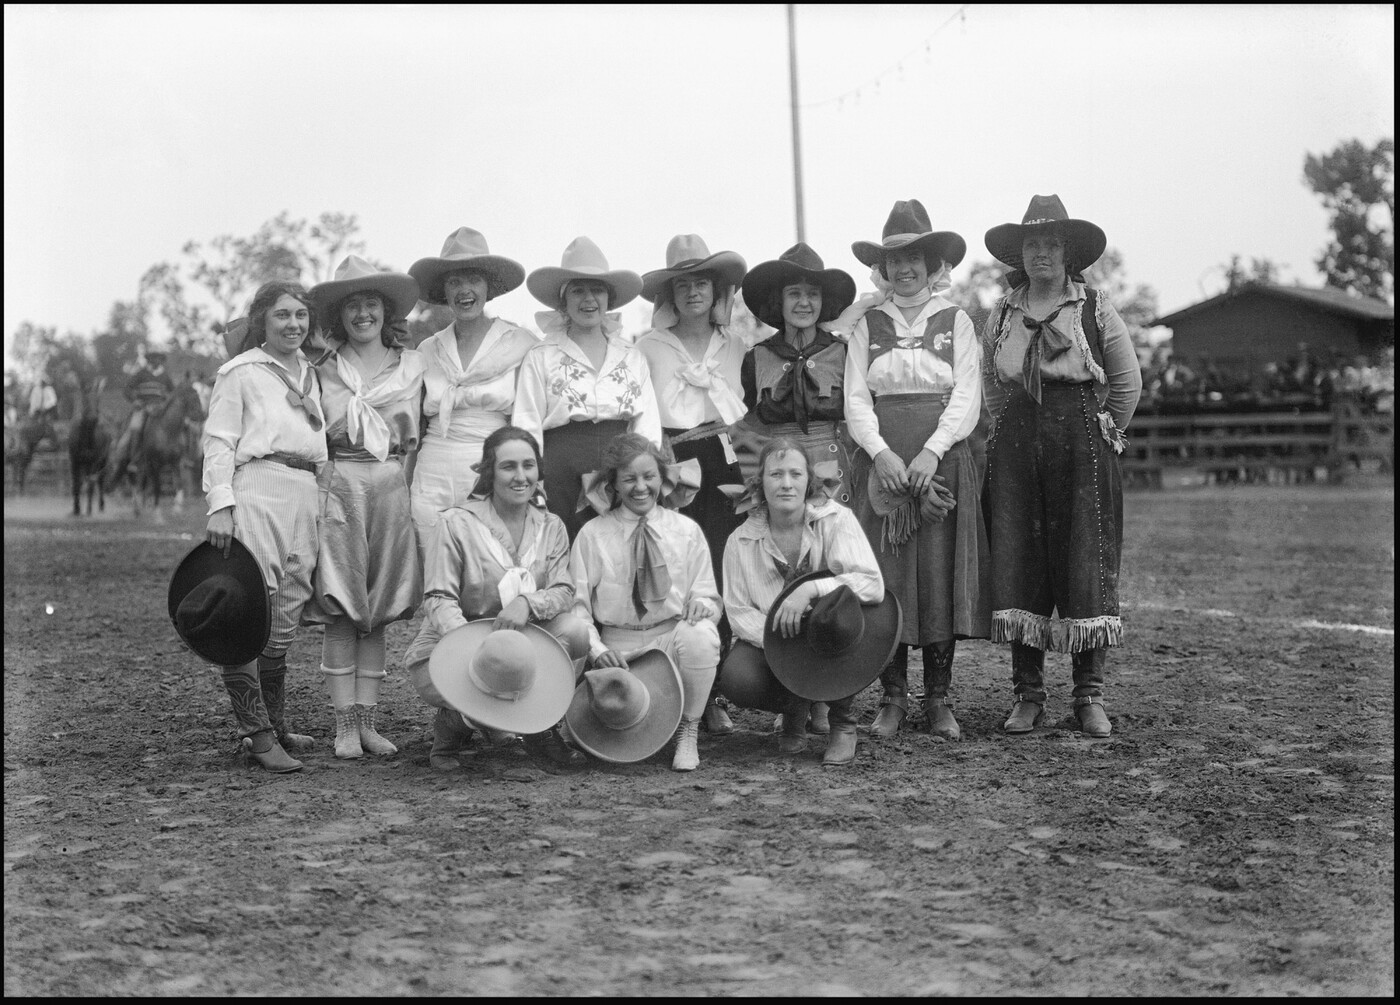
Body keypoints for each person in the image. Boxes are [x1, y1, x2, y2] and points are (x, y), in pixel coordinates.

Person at [981, 195, 1143, 738]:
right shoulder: (1002, 313)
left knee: (1083, 561)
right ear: (1019, 254)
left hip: (1081, 444)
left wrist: (1101, 432)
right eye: (1032, 244)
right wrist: (1007, 432)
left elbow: (1126, 382)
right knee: (1019, 559)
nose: (1042, 254)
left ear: (1069, 252)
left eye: (1052, 244)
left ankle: (1088, 696)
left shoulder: (1094, 307)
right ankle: (1027, 695)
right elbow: (990, 384)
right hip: (1017, 445)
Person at [840, 199, 991, 740]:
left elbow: (967, 394)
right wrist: (881, 454)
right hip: (883, 458)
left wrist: (932, 451)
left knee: (935, 574)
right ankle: (894, 698)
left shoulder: (957, 323)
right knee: (889, 575)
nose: (904, 269)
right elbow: (856, 398)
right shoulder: (868, 324)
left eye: (915, 258)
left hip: (940, 458)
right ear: (883, 268)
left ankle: (940, 699)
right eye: (894, 260)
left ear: (933, 266)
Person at [403, 426, 592, 771]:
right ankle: (456, 724)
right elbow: (438, 598)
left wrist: (527, 604)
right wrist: (475, 645)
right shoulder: (455, 523)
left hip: (525, 637)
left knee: (576, 631)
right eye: (508, 467)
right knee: (489, 667)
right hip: (457, 641)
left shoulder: (551, 526)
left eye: (528, 465)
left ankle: (539, 725)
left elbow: (564, 590)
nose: (521, 477)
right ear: (489, 471)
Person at [202, 281, 328, 772]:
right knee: (252, 604)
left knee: (289, 605)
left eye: (300, 315)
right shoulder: (240, 372)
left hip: (304, 488)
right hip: (258, 484)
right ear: (262, 319)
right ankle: (256, 736)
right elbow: (219, 441)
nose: (293, 324)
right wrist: (221, 504)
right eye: (282, 315)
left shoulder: (312, 375)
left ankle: (274, 721)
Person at [303, 257, 426, 759]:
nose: (362, 313)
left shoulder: (413, 366)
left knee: (378, 610)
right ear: (340, 315)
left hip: (392, 486)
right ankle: (343, 725)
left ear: (386, 310)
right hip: (341, 485)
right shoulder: (321, 370)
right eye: (352, 305)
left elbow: (425, 434)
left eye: (371, 303)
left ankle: (369, 721)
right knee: (341, 603)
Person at [734, 242, 857, 734]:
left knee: (827, 571)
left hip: (830, 467)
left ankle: (826, 699)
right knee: (781, 571)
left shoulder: (843, 352)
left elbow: (856, 415)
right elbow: (749, 421)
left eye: (811, 293)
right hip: (778, 471)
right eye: (793, 294)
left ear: (822, 301)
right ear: (778, 302)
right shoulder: (758, 356)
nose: (803, 302)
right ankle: (792, 702)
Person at [635, 234, 749, 736]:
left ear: (717, 289)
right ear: (669, 295)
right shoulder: (649, 348)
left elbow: (746, 416)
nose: (693, 292)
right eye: (682, 284)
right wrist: (658, 468)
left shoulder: (737, 345)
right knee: (675, 572)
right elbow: (644, 414)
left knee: (722, 569)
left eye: (702, 282)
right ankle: (671, 688)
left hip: (726, 462)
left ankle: (715, 692)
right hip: (673, 461)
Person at [717, 437, 888, 766]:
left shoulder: (835, 519)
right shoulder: (740, 540)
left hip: (831, 637)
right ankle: (794, 706)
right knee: (737, 677)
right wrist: (782, 637)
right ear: (760, 483)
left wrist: (811, 590)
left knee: (837, 622)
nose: (786, 484)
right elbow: (738, 612)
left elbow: (871, 583)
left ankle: (843, 723)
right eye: (775, 475)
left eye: (795, 474)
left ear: (809, 480)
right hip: (776, 643)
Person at [568, 433, 721, 771]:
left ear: (662, 478)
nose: (641, 487)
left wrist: (701, 605)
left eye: (649, 476)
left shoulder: (685, 530)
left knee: (702, 634)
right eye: (629, 479)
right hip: (617, 648)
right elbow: (577, 607)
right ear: (614, 485)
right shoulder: (594, 535)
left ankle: (688, 730)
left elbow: (706, 592)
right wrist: (595, 649)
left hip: (670, 641)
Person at [515, 237, 659, 540]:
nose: (589, 299)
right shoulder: (542, 356)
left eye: (597, 289)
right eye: (578, 290)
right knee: (562, 550)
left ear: (609, 299)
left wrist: (644, 473)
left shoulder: (631, 356)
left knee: (620, 554)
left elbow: (647, 425)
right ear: (563, 301)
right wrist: (531, 481)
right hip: (559, 472)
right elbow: (526, 424)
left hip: (621, 469)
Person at [407, 227, 536, 544]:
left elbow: (530, 422)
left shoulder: (520, 343)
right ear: (445, 290)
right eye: (454, 281)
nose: (465, 290)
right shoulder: (428, 349)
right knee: (431, 557)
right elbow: (415, 426)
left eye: (474, 280)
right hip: (432, 467)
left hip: (490, 464)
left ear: (488, 286)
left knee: (487, 562)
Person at [113, 348, 175, 475]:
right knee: (136, 427)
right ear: (149, 360)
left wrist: (166, 402)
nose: (156, 360)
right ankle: (134, 459)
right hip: (143, 408)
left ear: (161, 360)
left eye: (158, 358)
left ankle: (174, 457)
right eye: (153, 358)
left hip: (160, 409)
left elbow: (173, 393)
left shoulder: (165, 376)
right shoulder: (141, 374)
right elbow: (127, 389)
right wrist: (135, 401)